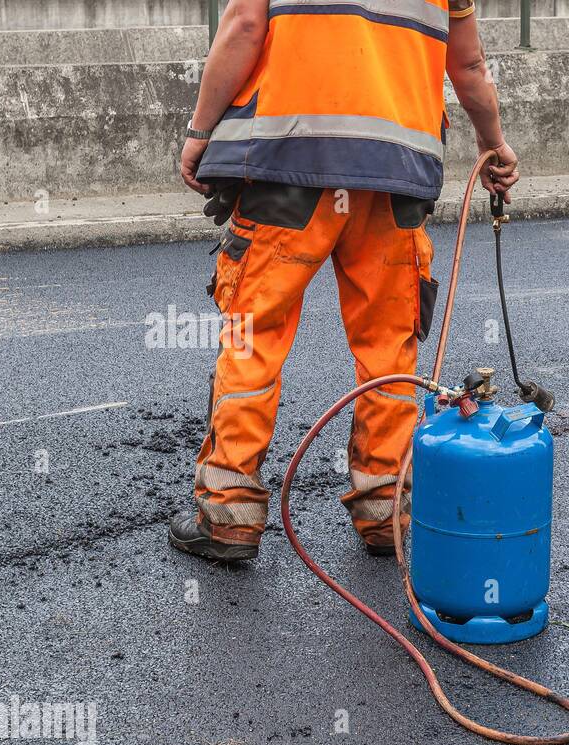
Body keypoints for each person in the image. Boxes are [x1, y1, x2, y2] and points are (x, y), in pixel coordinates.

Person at [169, 0, 518, 562]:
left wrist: (200, 131)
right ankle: (386, 510)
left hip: (288, 163)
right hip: (395, 174)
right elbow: (469, 65)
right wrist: (491, 141)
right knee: (388, 343)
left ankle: (228, 514)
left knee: (254, 334)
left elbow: (243, 25)